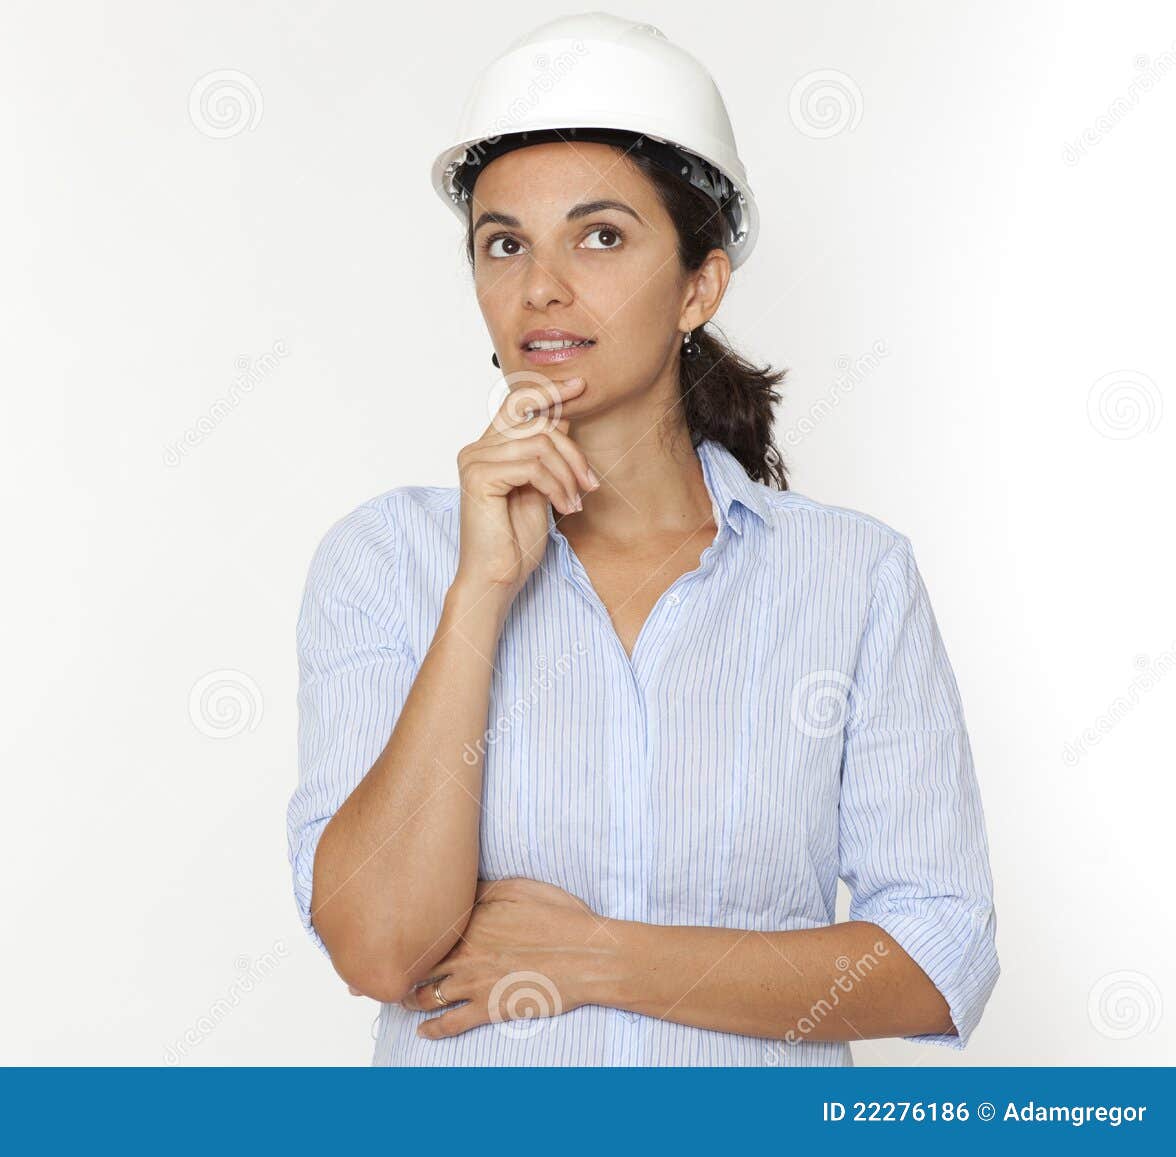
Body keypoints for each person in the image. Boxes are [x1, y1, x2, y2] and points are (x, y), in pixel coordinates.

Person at [285, 12, 999, 1065]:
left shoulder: (852, 577)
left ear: (698, 286)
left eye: (601, 236)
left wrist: (594, 956)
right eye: (503, 243)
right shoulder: (386, 561)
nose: (541, 286)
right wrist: (481, 589)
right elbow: (379, 946)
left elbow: (938, 957)